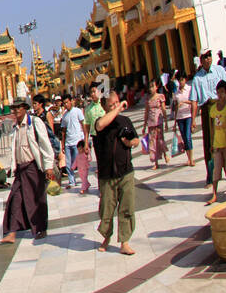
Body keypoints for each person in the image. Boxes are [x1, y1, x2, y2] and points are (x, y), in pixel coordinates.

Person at [0, 95, 54, 244]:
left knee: (36, 199)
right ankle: (12, 232)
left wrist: (48, 166)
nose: (16, 110)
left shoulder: (35, 123)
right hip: (21, 169)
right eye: (14, 108)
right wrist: (12, 166)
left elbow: (45, 145)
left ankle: (40, 228)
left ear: (25, 108)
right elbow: (15, 148)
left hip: (33, 167)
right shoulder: (15, 127)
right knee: (15, 199)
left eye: (19, 107)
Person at [93, 91, 139, 255]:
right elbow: (99, 125)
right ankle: (106, 237)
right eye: (111, 105)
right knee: (106, 209)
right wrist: (118, 109)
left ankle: (124, 242)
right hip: (107, 175)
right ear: (104, 106)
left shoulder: (125, 121)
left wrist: (129, 142)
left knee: (126, 207)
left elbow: (136, 140)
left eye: (117, 103)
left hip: (125, 171)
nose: (116, 107)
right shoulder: (100, 122)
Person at [191, 50, 226, 190]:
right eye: (205, 57)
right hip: (207, 110)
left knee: (225, 140)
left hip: (220, 106)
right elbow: (195, 100)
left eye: (209, 56)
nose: (208, 59)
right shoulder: (197, 78)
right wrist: (193, 120)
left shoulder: (219, 70)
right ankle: (211, 175)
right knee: (210, 143)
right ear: (201, 60)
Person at [208, 81, 226, 205]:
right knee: (216, 168)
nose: (220, 95)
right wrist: (211, 143)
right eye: (218, 92)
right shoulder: (213, 109)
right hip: (217, 143)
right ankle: (214, 193)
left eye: (222, 92)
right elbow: (212, 127)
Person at [61, 96, 88, 192]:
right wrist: (63, 144)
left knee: (80, 163)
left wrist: (85, 139)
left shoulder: (77, 111)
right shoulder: (64, 116)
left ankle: (84, 180)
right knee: (68, 164)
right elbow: (63, 131)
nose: (66, 104)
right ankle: (72, 181)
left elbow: (83, 124)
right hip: (68, 142)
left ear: (71, 102)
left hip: (77, 141)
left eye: (67, 102)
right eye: (64, 103)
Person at [143, 79, 169, 169]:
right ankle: (155, 162)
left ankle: (165, 154)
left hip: (159, 121)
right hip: (151, 123)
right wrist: (144, 125)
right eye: (150, 87)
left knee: (160, 140)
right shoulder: (148, 99)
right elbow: (146, 112)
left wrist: (166, 122)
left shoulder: (160, 97)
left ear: (156, 87)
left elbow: (164, 109)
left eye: (153, 86)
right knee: (152, 142)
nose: (151, 88)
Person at [173, 72, 194, 168]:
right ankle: (188, 158)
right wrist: (174, 122)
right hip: (179, 117)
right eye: (179, 80)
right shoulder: (176, 92)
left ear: (185, 80)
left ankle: (192, 158)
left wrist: (185, 102)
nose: (181, 82)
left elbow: (193, 102)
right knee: (184, 138)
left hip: (188, 115)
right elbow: (175, 107)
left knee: (188, 136)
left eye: (182, 79)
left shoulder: (189, 89)